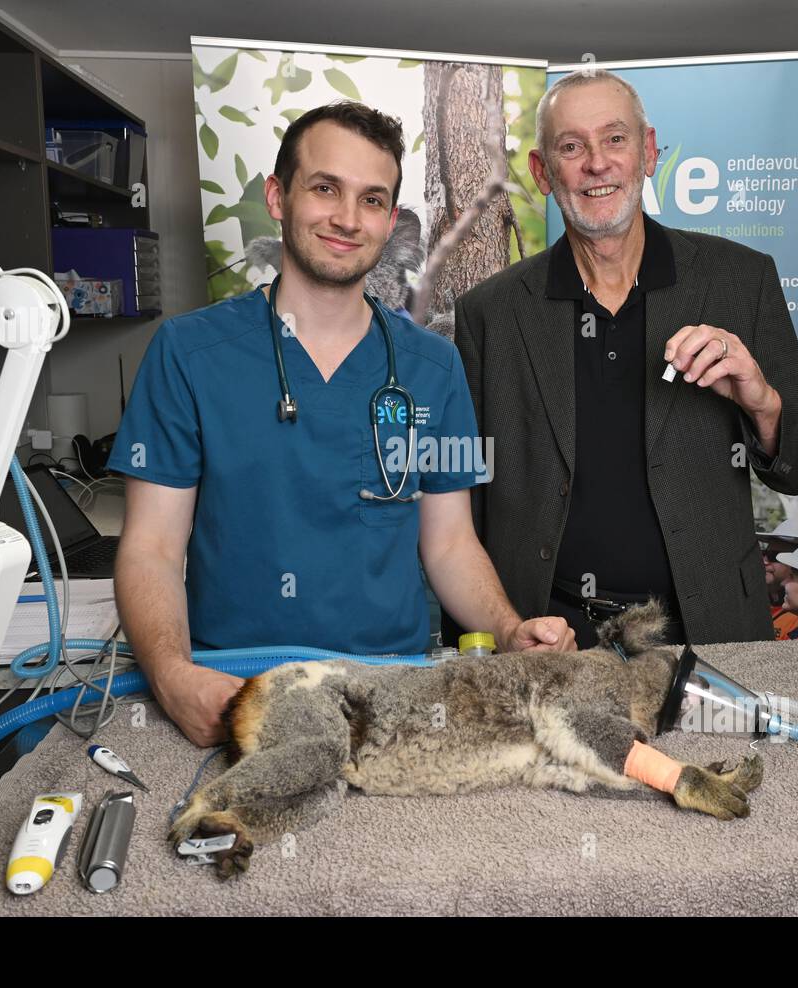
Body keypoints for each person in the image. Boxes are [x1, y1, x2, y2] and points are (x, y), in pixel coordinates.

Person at [108, 102, 574, 747]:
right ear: (278, 196)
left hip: (392, 695)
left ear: (390, 219)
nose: (348, 219)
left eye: (373, 199)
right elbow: (151, 548)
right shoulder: (188, 352)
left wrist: (507, 628)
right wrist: (169, 674)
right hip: (234, 692)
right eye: (325, 188)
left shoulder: (435, 366)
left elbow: (449, 544)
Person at [447, 69, 798, 648]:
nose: (597, 163)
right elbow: (462, 515)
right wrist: (483, 638)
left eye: (615, 138)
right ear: (544, 172)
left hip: (707, 633)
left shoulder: (740, 281)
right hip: (551, 638)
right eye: (571, 146)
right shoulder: (491, 313)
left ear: (647, 152)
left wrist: (762, 404)